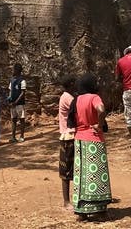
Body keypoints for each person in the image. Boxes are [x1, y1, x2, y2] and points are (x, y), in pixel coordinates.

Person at [69, 73, 112, 219]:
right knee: (97, 175)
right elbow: (101, 110)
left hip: (79, 141)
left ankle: (81, 213)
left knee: (81, 176)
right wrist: (99, 125)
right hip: (94, 139)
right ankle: (99, 211)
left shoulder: (76, 100)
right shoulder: (94, 97)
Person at [58, 75, 76, 209]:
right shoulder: (68, 98)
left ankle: (70, 199)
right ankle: (66, 201)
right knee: (67, 170)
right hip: (68, 136)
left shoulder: (67, 96)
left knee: (71, 169)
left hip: (70, 135)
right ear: (70, 84)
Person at [8, 62, 26, 142]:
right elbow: (10, 91)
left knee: (21, 119)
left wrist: (16, 101)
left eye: (14, 69)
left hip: (20, 103)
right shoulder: (12, 80)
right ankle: (13, 137)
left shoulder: (22, 81)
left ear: (17, 70)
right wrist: (10, 100)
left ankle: (22, 136)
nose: (12, 71)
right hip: (12, 104)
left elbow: (23, 92)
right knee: (13, 120)